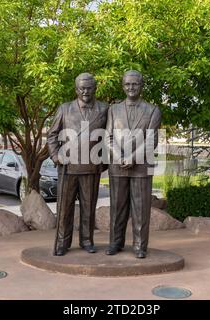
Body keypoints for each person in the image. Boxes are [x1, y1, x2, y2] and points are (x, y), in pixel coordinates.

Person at [47, 73, 108, 256]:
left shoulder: (104, 109)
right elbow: (52, 135)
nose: (85, 91)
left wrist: (103, 161)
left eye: (89, 87)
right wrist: (56, 156)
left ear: (95, 88)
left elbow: (110, 136)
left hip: (91, 166)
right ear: (76, 89)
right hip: (68, 167)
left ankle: (87, 240)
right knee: (64, 208)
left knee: (88, 207)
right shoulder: (65, 109)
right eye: (82, 88)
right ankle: (62, 243)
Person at [105, 70, 162, 259]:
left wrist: (133, 158)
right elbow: (108, 137)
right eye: (128, 84)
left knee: (141, 209)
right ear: (123, 86)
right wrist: (119, 156)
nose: (131, 87)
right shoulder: (113, 109)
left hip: (141, 167)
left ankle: (139, 245)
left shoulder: (153, 110)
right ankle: (115, 242)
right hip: (117, 166)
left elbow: (151, 140)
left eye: (135, 84)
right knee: (117, 207)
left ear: (141, 85)